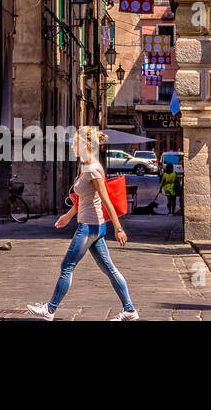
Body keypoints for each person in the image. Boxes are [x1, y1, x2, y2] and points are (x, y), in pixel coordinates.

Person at [27, 127, 137, 322]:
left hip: (89, 227)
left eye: (75, 143)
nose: (72, 146)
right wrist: (68, 216)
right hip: (92, 226)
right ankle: (129, 310)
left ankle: (50, 310)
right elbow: (83, 200)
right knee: (109, 269)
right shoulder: (85, 166)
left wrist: (118, 228)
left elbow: (106, 200)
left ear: (86, 145)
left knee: (67, 266)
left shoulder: (94, 169)